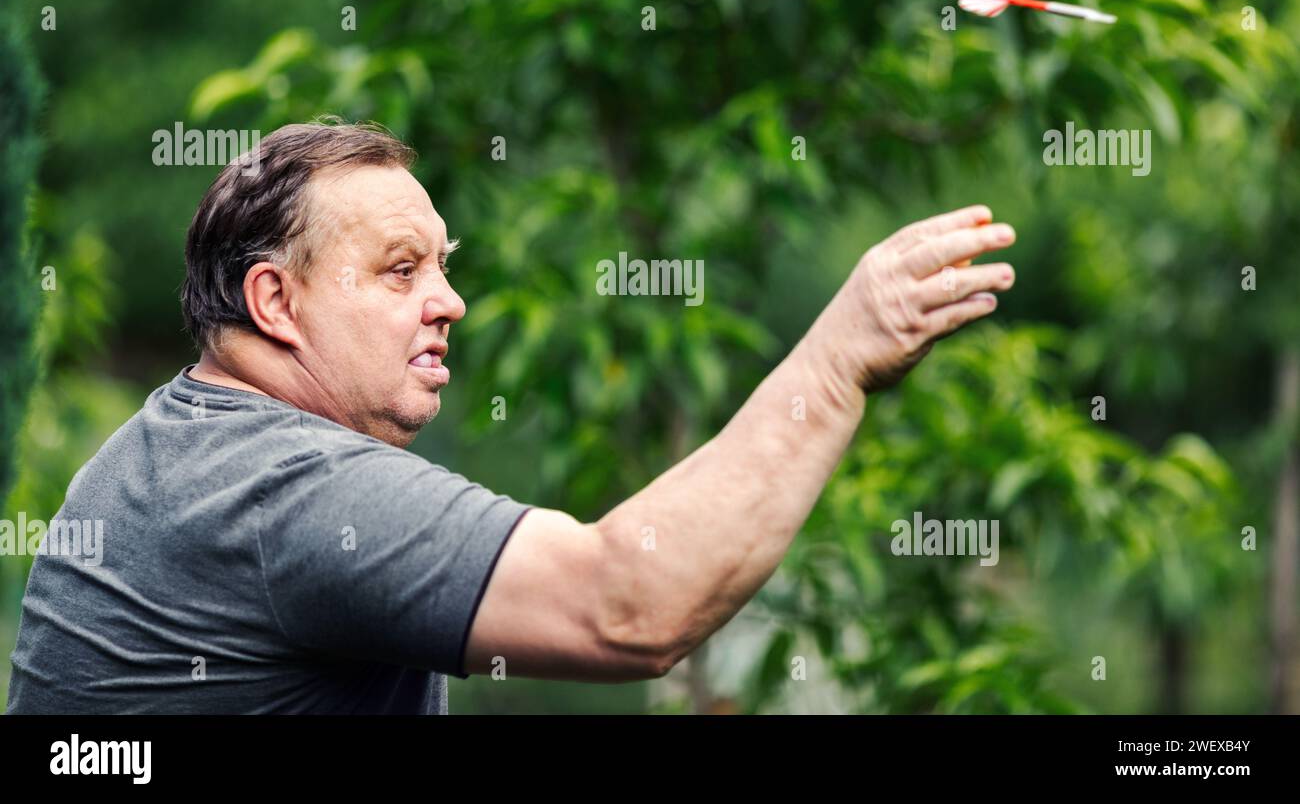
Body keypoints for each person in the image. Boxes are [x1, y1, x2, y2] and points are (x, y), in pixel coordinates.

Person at [5, 120, 1016, 713]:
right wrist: (836, 363)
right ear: (276, 302)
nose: (448, 300)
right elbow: (630, 604)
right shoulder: (281, 488)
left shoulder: (169, 444)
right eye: (400, 269)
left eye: (444, 265)